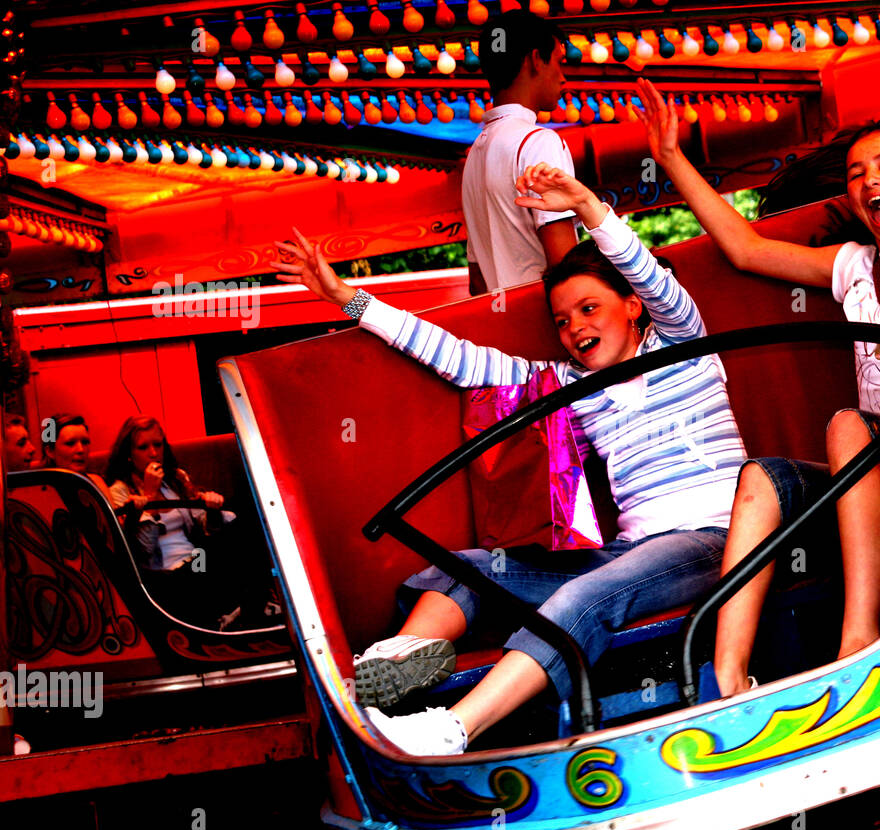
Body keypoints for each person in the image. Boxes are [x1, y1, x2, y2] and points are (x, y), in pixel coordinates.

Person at [275, 164, 747, 756]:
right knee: (470, 567)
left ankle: (451, 728)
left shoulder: (683, 342)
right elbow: (463, 360)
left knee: (580, 599)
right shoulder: (569, 385)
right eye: (562, 319)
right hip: (631, 550)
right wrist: (348, 298)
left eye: (590, 309)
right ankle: (385, 686)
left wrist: (583, 204)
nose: (575, 327)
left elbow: (652, 278)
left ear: (632, 306)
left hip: (714, 539)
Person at [634, 77, 880, 698]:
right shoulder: (853, 265)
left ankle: (859, 638)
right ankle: (728, 680)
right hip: (874, 477)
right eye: (855, 173)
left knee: (847, 426)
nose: (868, 180)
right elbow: (743, 248)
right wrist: (674, 159)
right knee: (762, 478)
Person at [104, 416, 260, 630]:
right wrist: (149, 496)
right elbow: (142, 550)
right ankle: (234, 609)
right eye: (143, 447)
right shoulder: (119, 491)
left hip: (195, 563)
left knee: (244, 521)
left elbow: (204, 530)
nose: (153, 453)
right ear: (129, 455)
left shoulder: (174, 480)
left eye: (158, 445)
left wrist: (212, 510)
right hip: (162, 577)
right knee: (202, 570)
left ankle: (253, 603)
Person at [462, 10, 578, 295]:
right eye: (559, 62)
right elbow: (567, 270)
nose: (563, 77)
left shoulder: (474, 155)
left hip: (501, 328)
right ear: (536, 60)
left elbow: (477, 282)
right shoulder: (539, 142)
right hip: (546, 327)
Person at [42, 413, 111, 496]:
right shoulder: (43, 491)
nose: (81, 450)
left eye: (85, 442)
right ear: (50, 451)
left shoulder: (97, 482)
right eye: (70, 443)